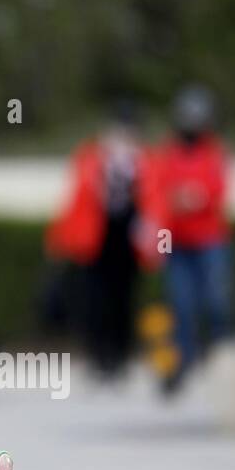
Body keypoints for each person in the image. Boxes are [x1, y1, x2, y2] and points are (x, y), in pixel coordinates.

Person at [142, 85, 234, 390]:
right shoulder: (165, 153)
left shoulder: (215, 152)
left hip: (210, 240)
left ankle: (222, 355)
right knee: (181, 304)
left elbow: (217, 191)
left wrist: (195, 197)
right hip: (177, 244)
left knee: (216, 300)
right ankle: (182, 362)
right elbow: (156, 194)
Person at [45, 105, 147, 378]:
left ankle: (121, 355)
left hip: (126, 244)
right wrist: (62, 241)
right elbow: (77, 200)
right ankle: (99, 356)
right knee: (95, 302)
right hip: (95, 244)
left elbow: (151, 201)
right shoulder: (91, 158)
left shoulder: (144, 162)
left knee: (123, 301)